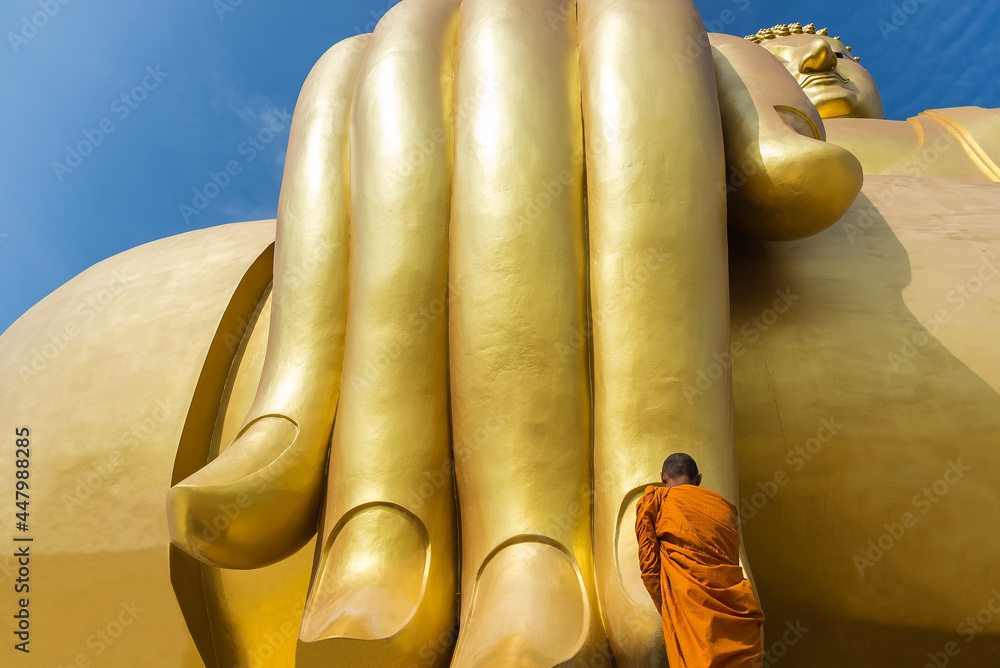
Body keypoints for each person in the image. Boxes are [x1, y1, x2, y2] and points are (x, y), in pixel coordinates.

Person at [636, 453, 765, 667]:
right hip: (736, 611)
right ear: (699, 479)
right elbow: (730, 560)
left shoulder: (655, 502)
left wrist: (667, 604)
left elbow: (649, 565)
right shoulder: (724, 507)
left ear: (663, 478)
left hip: (688, 604)